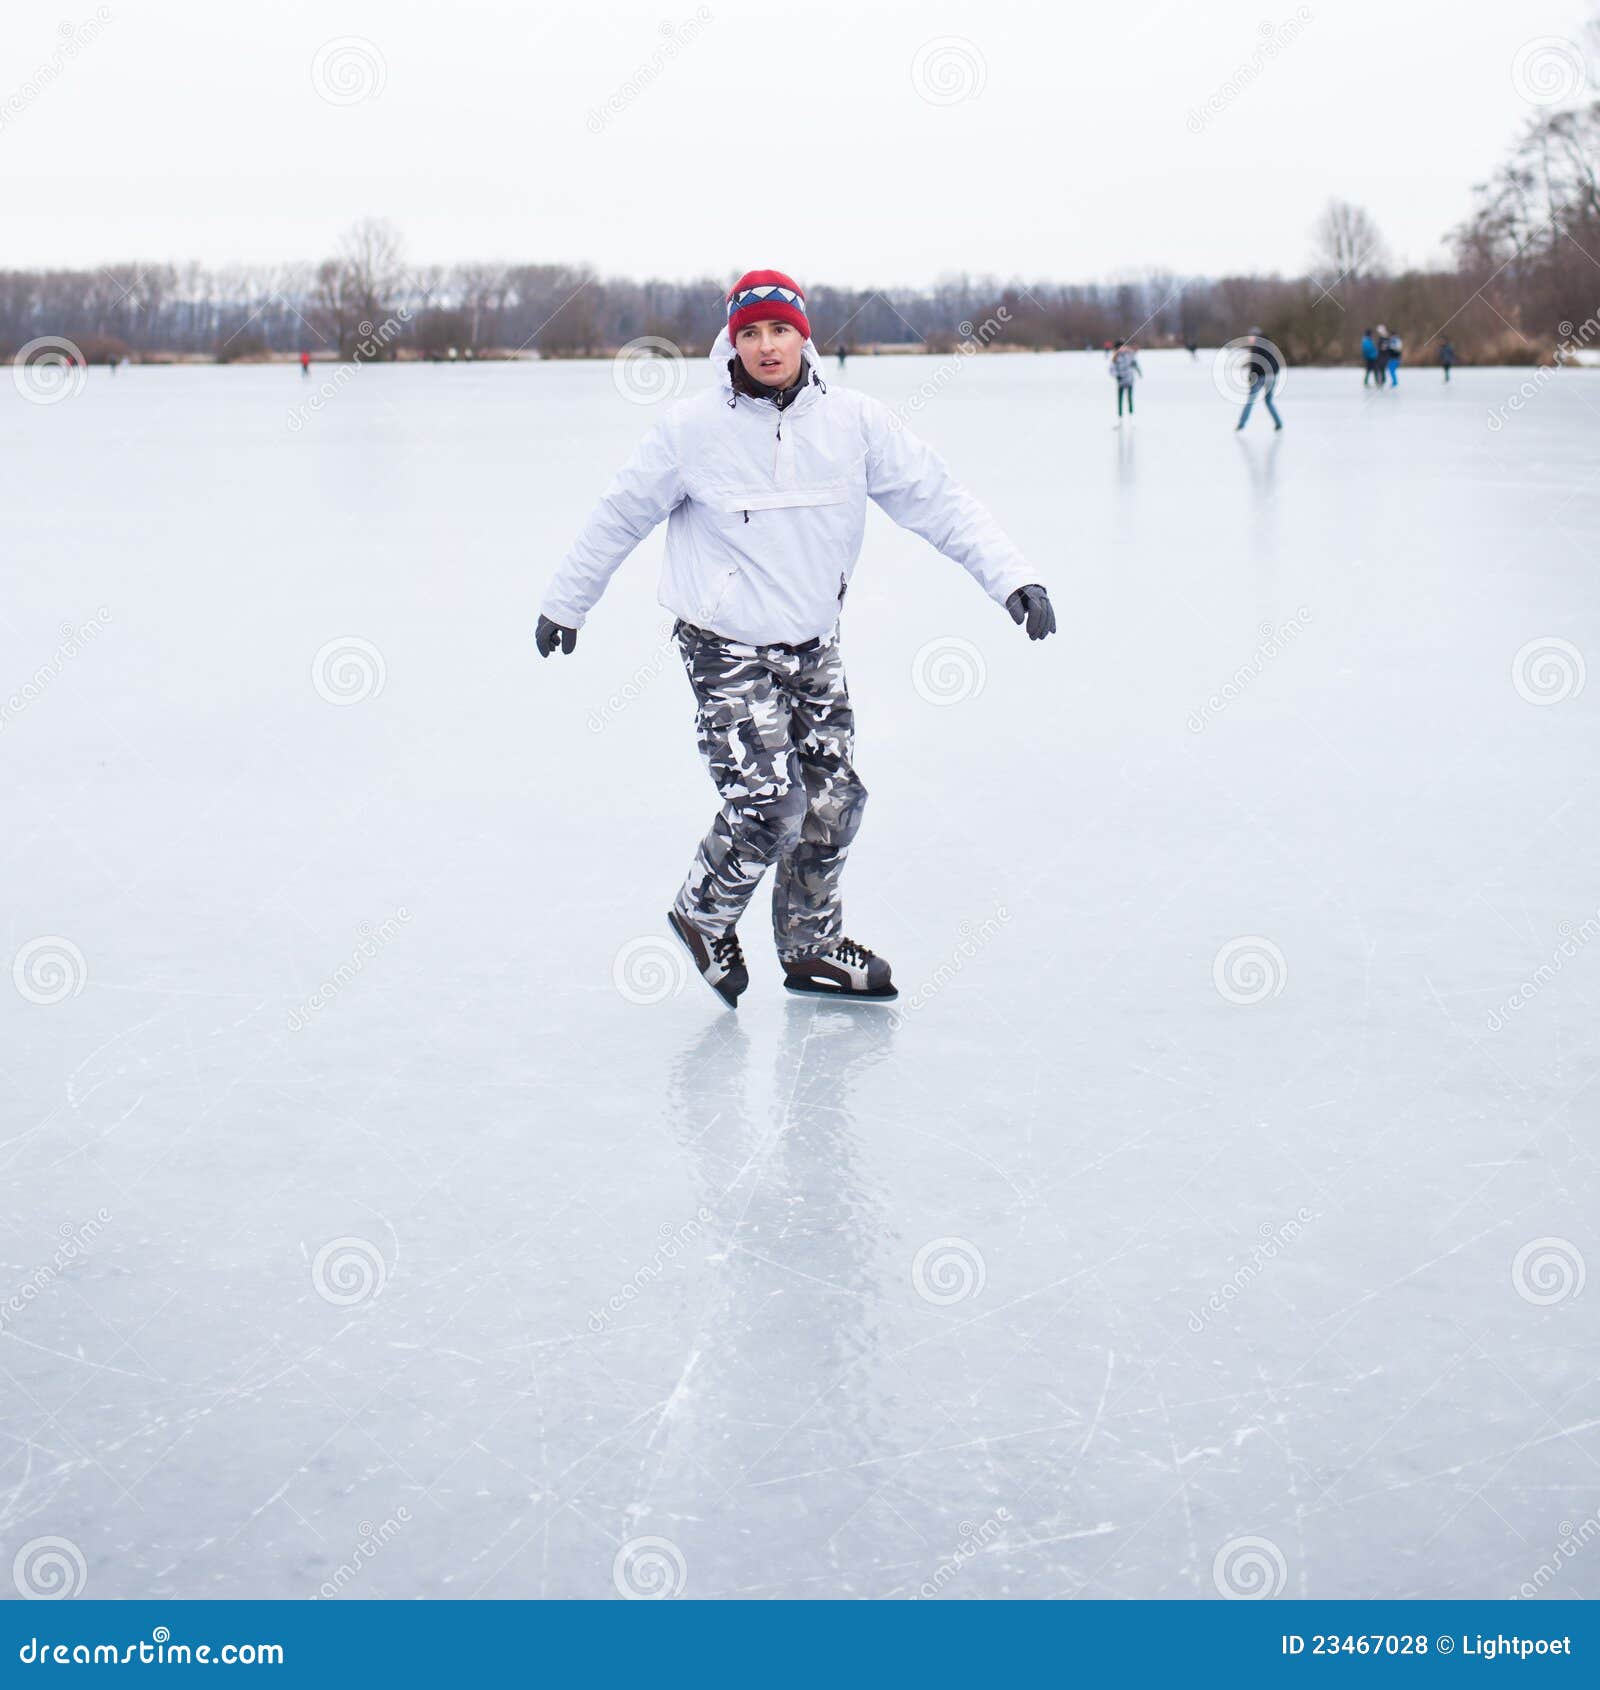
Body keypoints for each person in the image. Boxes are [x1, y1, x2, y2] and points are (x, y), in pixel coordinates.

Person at [536, 268, 1056, 1008]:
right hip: (723, 642)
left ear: (803, 336)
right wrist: (567, 602)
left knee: (834, 797)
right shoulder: (692, 430)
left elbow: (939, 501)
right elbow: (619, 514)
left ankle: (810, 945)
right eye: (750, 332)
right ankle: (704, 912)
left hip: (812, 642)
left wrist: (1012, 578)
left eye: (780, 329)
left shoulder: (856, 423)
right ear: (732, 341)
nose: (767, 345)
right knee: (770, 803)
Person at [1234, 328, 1283, 431]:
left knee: (1250, 401)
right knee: (1269, 402)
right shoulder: (1270, 345)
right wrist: (1273, 373)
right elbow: (1276, 363)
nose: (1250, 339)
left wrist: (1251, 378)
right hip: (1271, 377)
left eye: (1251, 336)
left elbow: (1255, 365)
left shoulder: (1257, 347)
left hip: (1260, 377)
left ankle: (1241, 424)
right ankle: (1278, 423)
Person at [1109, 339, 1142, 421]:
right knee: (1120, 399)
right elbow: (1111, 369)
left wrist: (1138, 371)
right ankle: (1120, 416)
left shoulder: (1129, 354)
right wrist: (1117, 376)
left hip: (1130, 380)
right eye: (1120, 347)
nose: (1122, 348)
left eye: (1123, 346)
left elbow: (1135, 362)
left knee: (1129, 397)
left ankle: (1131, 415)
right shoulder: (1115, 357)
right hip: (1121, 381)